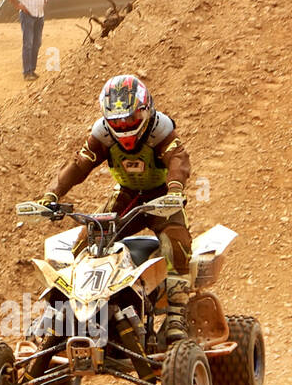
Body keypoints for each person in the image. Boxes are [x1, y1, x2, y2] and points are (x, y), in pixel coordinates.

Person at [39, 75, 193, 343]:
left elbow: (178, 159)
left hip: (163, 196)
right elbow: (78, 166)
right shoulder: (101, 135)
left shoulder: (160, 129)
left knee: (175, 242)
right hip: (128, 195)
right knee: (88, 241)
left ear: (145, 110)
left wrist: (176, 189)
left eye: (129, 121)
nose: (123, 127)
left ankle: (176, 314)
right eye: (117, 122)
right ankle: (64, 315)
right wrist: (52, 193)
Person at [3, 0, 51, 81]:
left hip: (39, 14)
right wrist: (17, 5)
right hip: (27, 14)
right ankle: (27, 72)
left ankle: (32, 70)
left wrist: (45, 0)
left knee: (37, 43)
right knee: (28, 43)